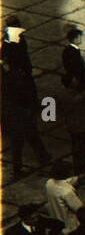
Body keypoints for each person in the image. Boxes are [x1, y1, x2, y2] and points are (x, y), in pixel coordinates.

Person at [2, 17, 52, 175]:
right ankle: (39, 158)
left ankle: (40, 157)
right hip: (20, 108)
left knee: (27, 136)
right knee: (26, 135)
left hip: (15, 108)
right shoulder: (19, 78)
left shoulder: (8, 42)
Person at [55, 72, 85, 178]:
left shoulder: (61, 94)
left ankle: (80, 170)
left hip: (71, 125)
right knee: (81, 149)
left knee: (77, 148)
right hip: (80, 126)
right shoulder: (72, 96)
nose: (76, 82)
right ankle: (80, 172)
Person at [44, 159, 84, 235]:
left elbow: (66, 181)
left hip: (56, 219)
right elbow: (79, 208)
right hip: (70, 223)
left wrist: (77, 179)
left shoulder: (49, 184)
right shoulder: (66, 192)